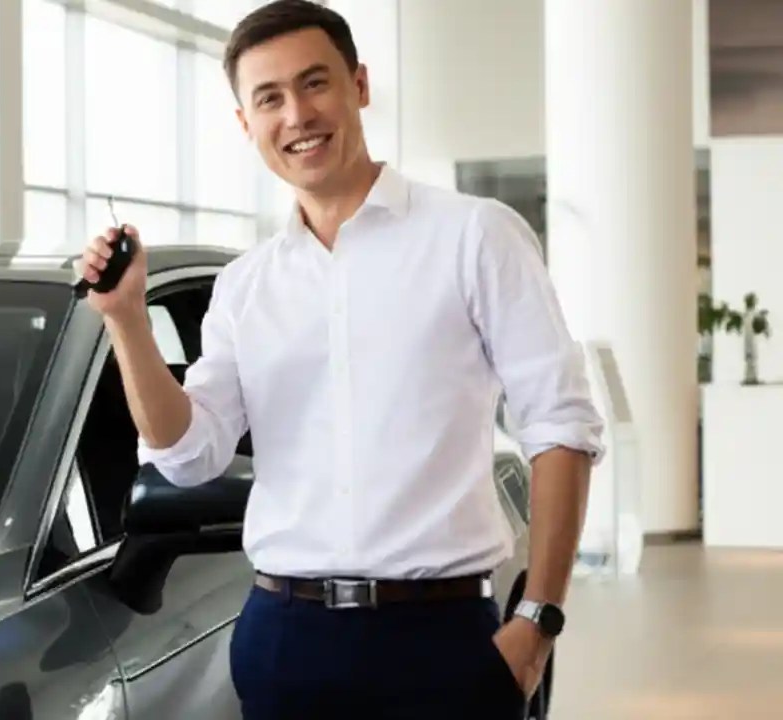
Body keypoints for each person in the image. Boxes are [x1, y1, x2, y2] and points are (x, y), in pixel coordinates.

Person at [76, 0, 604, 717]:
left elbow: (562, 428)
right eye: (269, 97)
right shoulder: (246, 285)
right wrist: (128, 321)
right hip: (285, 638)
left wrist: (537, 622)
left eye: (314, 82)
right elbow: (188, 456)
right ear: (246, 123)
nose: (296, 114)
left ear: (358, 85)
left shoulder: (475, 237)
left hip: (441, 637)